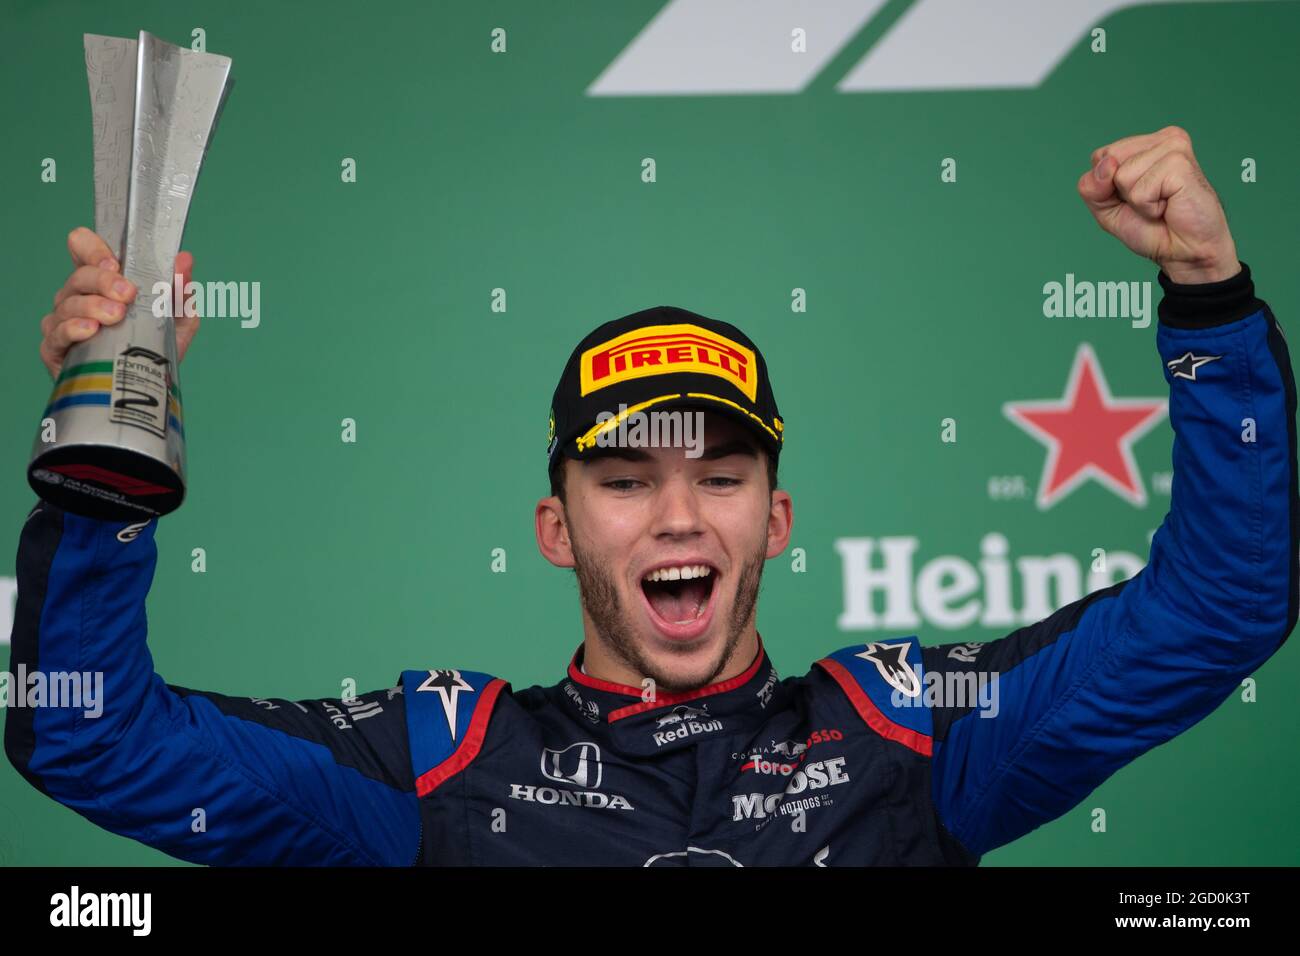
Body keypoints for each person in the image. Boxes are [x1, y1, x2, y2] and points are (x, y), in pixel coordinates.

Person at [6, 127, 1295, 865]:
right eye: (627, 480)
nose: (679, 515)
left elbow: (1221, 610)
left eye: (720, 476)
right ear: (557, 531)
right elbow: (89, 737)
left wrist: (1211, 302)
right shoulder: (438, 762)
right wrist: (111, 458)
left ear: (773, 522)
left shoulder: (913, 732)